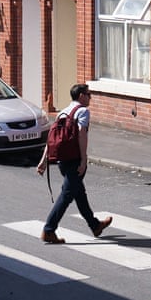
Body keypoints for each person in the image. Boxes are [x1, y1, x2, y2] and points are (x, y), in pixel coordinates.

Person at [35, 83, 112, 243]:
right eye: (89, 94)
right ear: (82, 96)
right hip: (74, 159)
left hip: (62, 161)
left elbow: (52, 139)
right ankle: (49, 230)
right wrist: (83, 160)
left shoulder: (62, 112)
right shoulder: (83, 111)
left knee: (78, 193)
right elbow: (82, 135)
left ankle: (95, 225)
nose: (90, 97)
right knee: (67, 195)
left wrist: (44, 161)